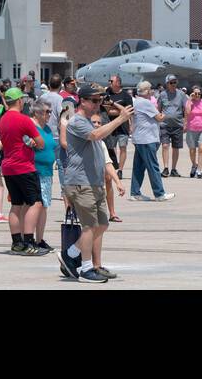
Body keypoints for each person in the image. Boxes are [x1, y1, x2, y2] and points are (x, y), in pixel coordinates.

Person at [59, 84, 134, 283]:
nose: (98, 104)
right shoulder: (77, 122)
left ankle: (71, 253)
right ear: (82, 101)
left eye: (100, 100)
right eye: (94, 100)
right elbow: (96, 135)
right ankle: (85, 269)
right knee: (89, 227)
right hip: (80, 183)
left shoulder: (88, 122)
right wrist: (121, 119)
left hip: (94, 183)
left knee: (102, 224)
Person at [0, 87, 47, 255]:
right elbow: (40, 143)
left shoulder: (2, 119)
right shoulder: (23, 119)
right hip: (23, 166)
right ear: (19, 101)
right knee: (35, 203)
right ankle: (29, 241)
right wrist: (32, 143)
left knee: (16, 205)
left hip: (8, 166)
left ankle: (17, 242)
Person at [128, 81, 172, 200]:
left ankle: (135, 193)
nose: (152, 91)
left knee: (138, 167)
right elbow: (159, 117)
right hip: (147, 139)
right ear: (147, 91)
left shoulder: (137, 101)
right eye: (150, 89)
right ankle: (159, 194)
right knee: (153, 166)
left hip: (141, 138)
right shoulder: (145, 103)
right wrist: (167, 112)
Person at [30, 99, 59, 252]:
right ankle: (29, 238)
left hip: (47, 173)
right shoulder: (31, 127)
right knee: (35, 206)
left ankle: (39, 239)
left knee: (44, 206)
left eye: (50, 111)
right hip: (35, 172)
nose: (49, 114)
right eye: (47, 111)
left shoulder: (46, 128)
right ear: (37, 112)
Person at [157, 75, 189, 176]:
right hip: (164, 125)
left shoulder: (181, 94)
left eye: (175, 82)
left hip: (177, 125)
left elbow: (186, 109)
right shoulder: (162, 95)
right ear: (167, 84)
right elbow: (158, 109)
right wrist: (157, 122)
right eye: (171, 83)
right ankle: (166, 168)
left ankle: (173, 169)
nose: (173, 84)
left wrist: (185, 123)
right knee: (165, 145)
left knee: (176, 148)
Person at [103, 75, 133, 179]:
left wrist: (131, 125)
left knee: (123, 147)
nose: (109, 82)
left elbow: (129, 111)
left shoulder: (126, 96)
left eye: (111, 81)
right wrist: (120, 112)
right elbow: (106, 110)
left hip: (123, 126)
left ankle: (120, 169)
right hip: (111, 125)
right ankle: (114, 168)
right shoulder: (106, 93)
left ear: (118, 83)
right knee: (112, 147)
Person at [185, 86, 202, 178]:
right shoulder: (189, 102)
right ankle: (194, 165)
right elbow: (187, 113)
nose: (197, 95)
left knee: (201, 149)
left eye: (199, 93)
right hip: (191, 128)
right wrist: (190, 100)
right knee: (192, 150)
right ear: (192, 93)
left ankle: (199, 170)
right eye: (195, 93)